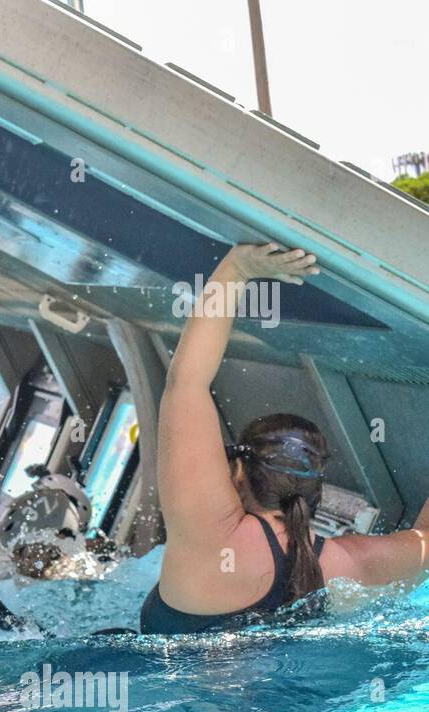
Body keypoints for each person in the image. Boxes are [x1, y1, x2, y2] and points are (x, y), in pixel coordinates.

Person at [140, 242, 429, 634]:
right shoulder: (347, 565)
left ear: (240, 472)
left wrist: (237, 269)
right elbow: (425, 541)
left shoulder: (209, 537)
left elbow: (186, 382)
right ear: (316, 489)